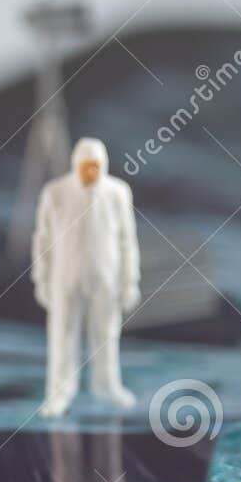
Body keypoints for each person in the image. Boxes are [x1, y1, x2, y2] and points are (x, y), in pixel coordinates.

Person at [32, 137, 140, 415]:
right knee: (62, 335)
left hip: (106, 277)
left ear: (102, 165)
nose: (89, 172)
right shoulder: (55, 193)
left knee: (106, 333)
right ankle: (59, 392)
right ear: (75, 165)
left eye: (95, 166)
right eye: (85, 166)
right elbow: (43, 240)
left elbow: (127, 240)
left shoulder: (117, 192)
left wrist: (129, 280)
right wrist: (41, 278)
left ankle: (107, 385)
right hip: (65, 278)